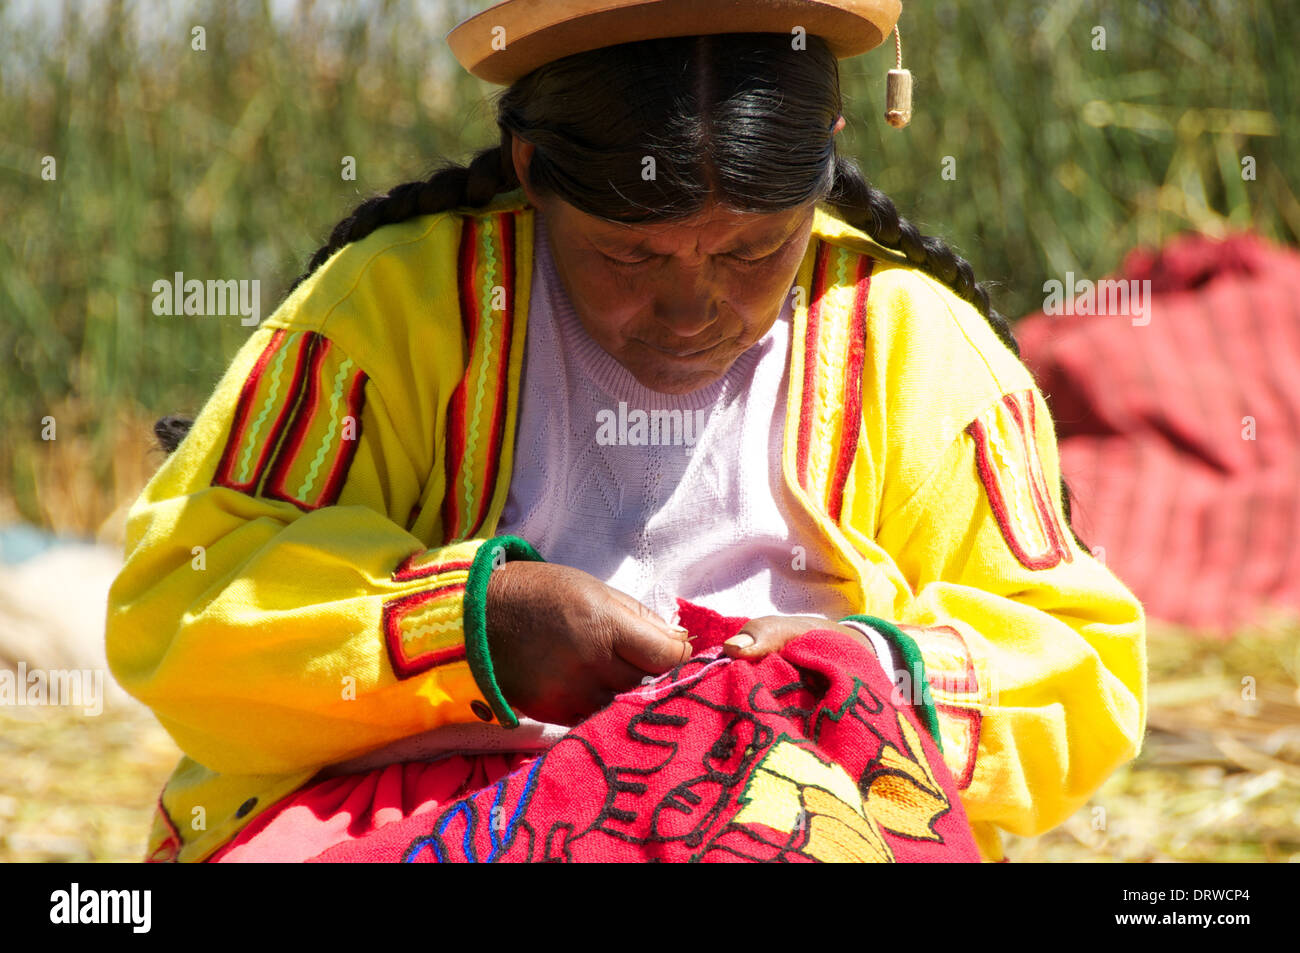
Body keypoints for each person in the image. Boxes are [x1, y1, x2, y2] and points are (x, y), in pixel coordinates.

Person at [106, 0, 1146, 863]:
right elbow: (187, 597)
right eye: (631, 258)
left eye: (753, 250)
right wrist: (481, 624)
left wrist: (853, 674)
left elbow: (1080, 662)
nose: (692, 310)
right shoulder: (391, 311)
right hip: (429, 816)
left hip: (787, 814)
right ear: (529, 167)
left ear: (823, 166)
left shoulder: (915, 347)